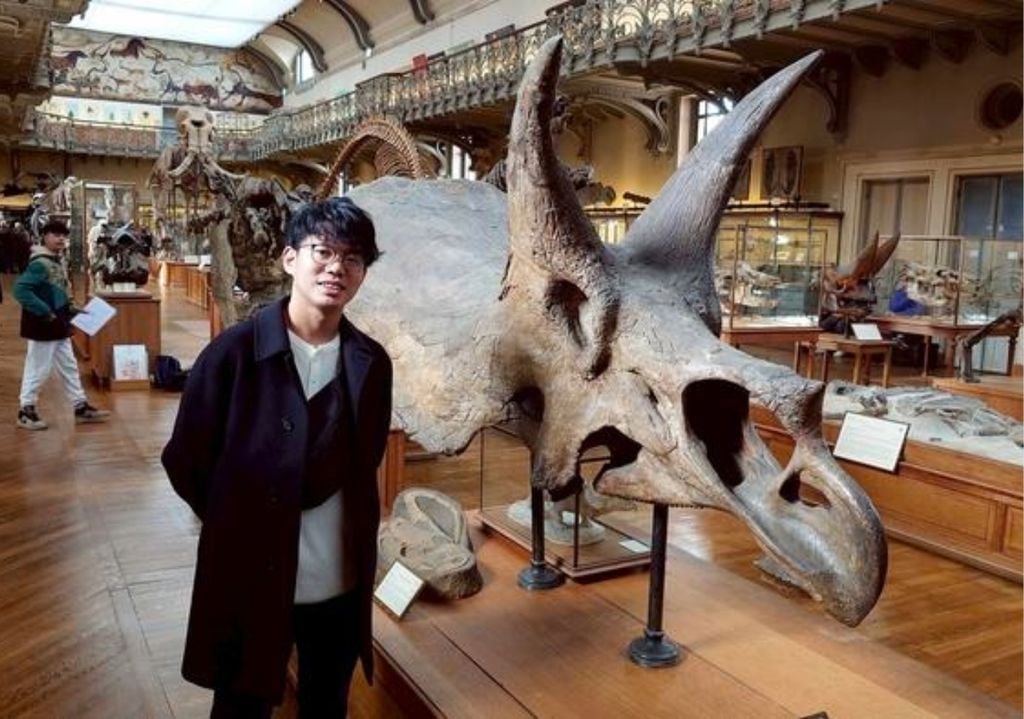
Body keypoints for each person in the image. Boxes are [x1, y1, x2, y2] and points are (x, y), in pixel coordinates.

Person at [161, 196, 392, 717]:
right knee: (240, 704)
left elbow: (367, 457)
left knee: (327, 704)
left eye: (353, 258)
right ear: (290, 258)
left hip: (337, 580)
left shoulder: (371, 362)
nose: (336, 268)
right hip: (249, 576)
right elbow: (185, 460)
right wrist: (240, 520)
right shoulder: (232, 353)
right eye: (322, 251)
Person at [13, 219, 110, 430]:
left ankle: (80, 406)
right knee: (38, 368)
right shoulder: (40, 263)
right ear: (44, 236)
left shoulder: (55, 260)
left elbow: (56, 290)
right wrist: (44, 311)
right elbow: (20, 290)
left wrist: (70, 308)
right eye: (55, 235)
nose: (60, 239)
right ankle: (26, 410)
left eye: (63, 236)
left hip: (58, 324)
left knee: (69, 366)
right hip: (43, 325)